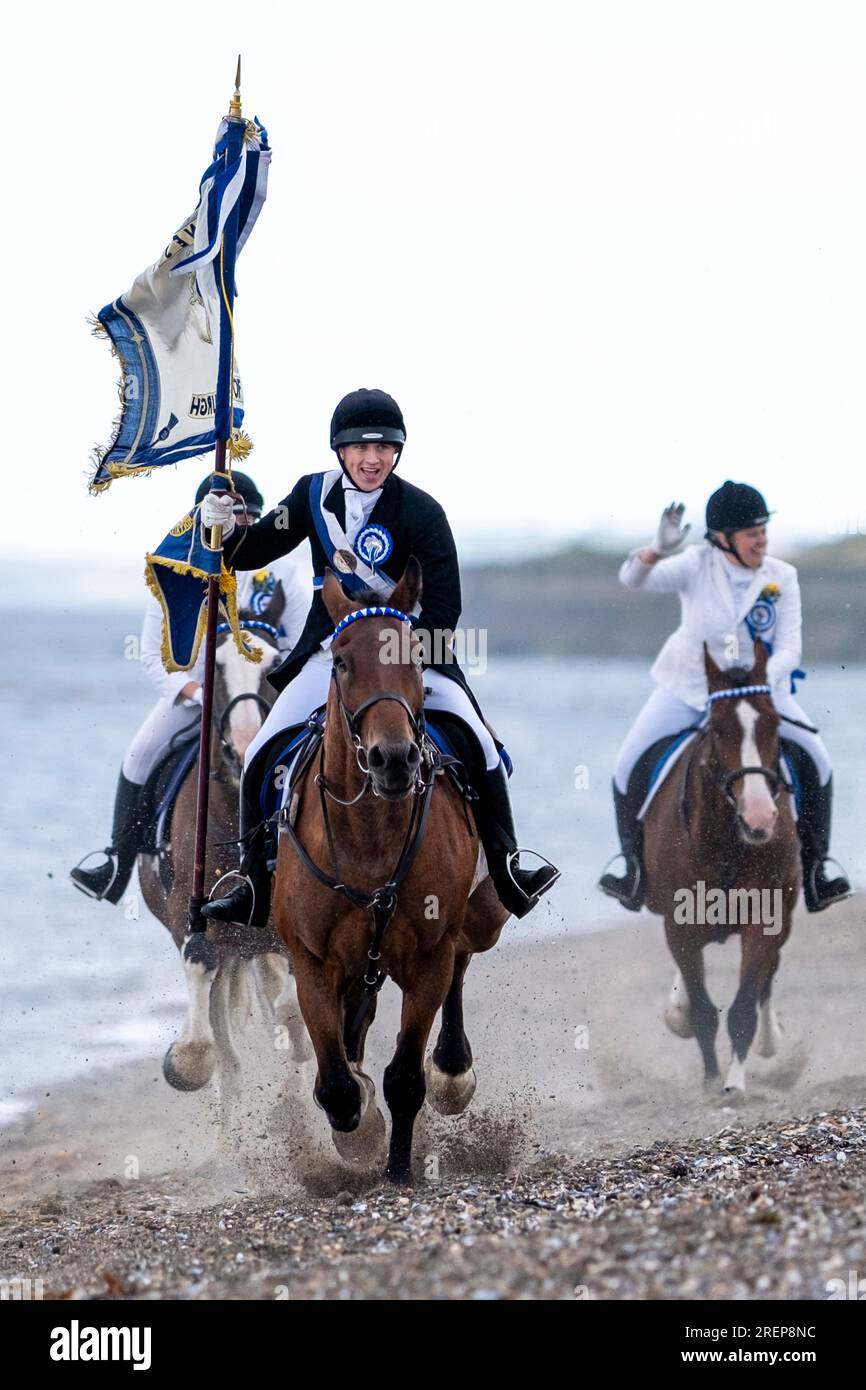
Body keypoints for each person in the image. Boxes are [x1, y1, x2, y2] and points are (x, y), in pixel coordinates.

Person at [198, 387, 560, 927]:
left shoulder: (423, 511)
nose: (373, 458)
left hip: (409, 657)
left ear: (398, 452)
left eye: (385, 447)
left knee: (479, 742)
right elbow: (248, 554)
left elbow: (445, 607)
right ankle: (254, 882)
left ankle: (506, 867)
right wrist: (220, 528)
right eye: (360, 447)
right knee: (259, 756)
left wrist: (399, 654)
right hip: (332, 655)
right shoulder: (309, 498)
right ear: (339, 450)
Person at [599, 481, 851, 914]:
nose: (762, 540)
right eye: (752, 533)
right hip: (688, 689)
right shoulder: (695, 565)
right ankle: (633, 870)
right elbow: (633, 578)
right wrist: (658, 547)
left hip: (761, 694)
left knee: (819, 760)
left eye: (764, 531)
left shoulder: (782, 577)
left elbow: (790, 648)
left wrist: (755, 685)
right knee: (625, 766)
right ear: (722, 538)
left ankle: (816, 870)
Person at [70, 471, 310, 904]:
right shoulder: (175, 574)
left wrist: (271, 693)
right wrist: (201, 697)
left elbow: (300, 646)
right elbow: (152, 657)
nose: (238, 525)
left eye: (248, 517)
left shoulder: (283, 575)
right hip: (196, 695)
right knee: (139, 755)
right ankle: (118, 863)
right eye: (229, 516)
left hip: (265, 697)